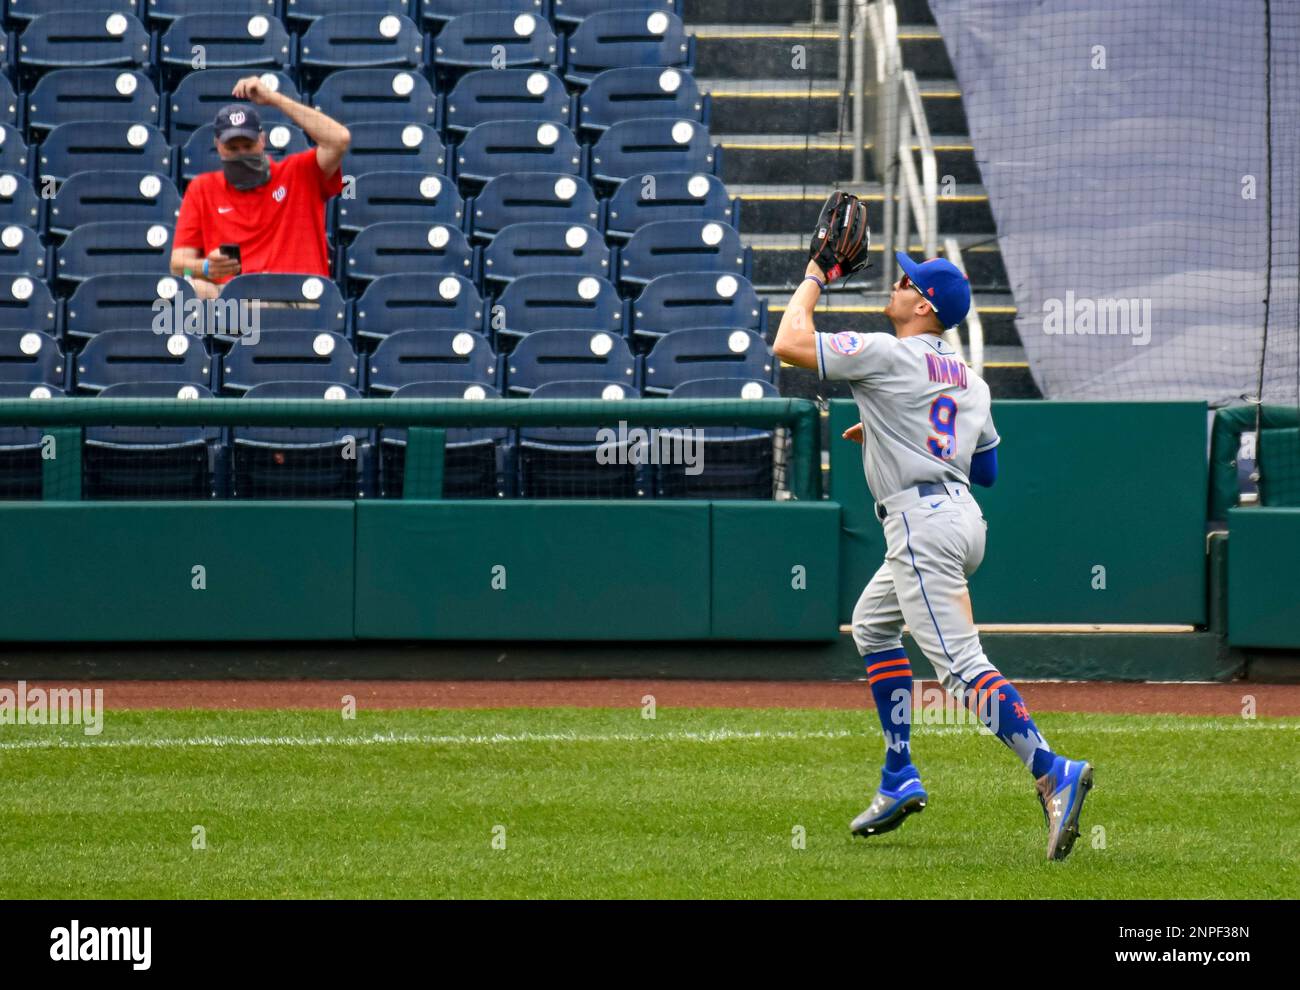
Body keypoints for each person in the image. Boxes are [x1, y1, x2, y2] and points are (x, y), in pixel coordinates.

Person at [772, 207, 1094, 861]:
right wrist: (901, 429)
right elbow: (988, 468)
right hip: (960, 520)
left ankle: (1052, 770)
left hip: (922, 525)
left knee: (960, 668)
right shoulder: (971, 380)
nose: (898, 285)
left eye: (908, 282)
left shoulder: (888, 353)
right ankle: (899, 775)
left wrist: (816, 272)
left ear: (925, 306)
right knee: (872, 625)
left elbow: (789, 343)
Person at [171, 76, 351, 300]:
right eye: (232, 147)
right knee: (185, 291)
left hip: (298, 298)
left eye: (248, 145)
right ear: (218, 146)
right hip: (235, 302)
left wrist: (274, 99)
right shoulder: (202, 189)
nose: (241, 153)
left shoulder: (299, 172)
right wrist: (205, 269)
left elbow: (339, 139)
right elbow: (178, 268)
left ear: (262, 140)